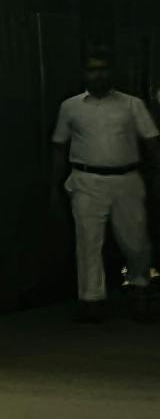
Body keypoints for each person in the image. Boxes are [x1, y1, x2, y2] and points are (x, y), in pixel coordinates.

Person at [54, 48, 158, 315]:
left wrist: (156, 174)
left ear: (111, 72)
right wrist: (56, 183)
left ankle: (139, 283)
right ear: (84, 73)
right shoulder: (70, 107)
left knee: (134, 239)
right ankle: (91, 300)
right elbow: (60, 145)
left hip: (126, 178)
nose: (98, 74)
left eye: (102, 68)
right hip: (86, 178)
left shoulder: (131, 104)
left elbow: (151, 140)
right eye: (92, 69)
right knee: (88, 240)